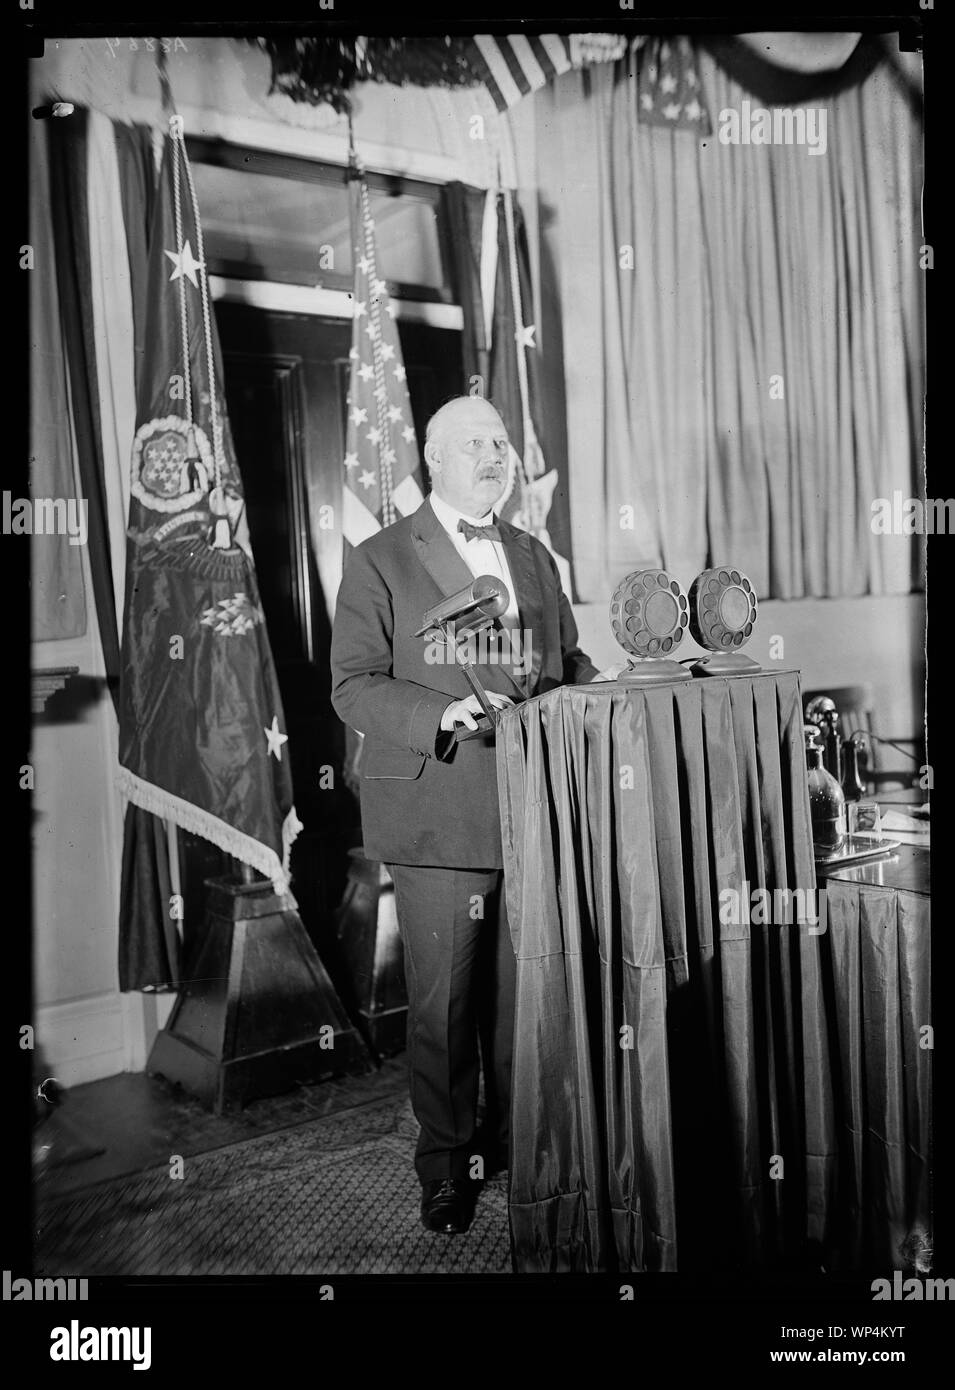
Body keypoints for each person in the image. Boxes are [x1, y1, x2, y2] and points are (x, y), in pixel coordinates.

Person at [330, 395, 601, 1234]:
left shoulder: (531, 554)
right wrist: (438, 715)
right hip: (438, 809)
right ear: (432, 457)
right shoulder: (380, 557)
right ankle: (446, 1168)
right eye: (474, 443)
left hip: (533, 806)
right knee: (444, 1009)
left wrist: (613, 688)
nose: (495, 455)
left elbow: (564, 664)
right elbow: (352, 683)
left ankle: (523, 1149)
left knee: (524, 998)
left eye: (502, 442)